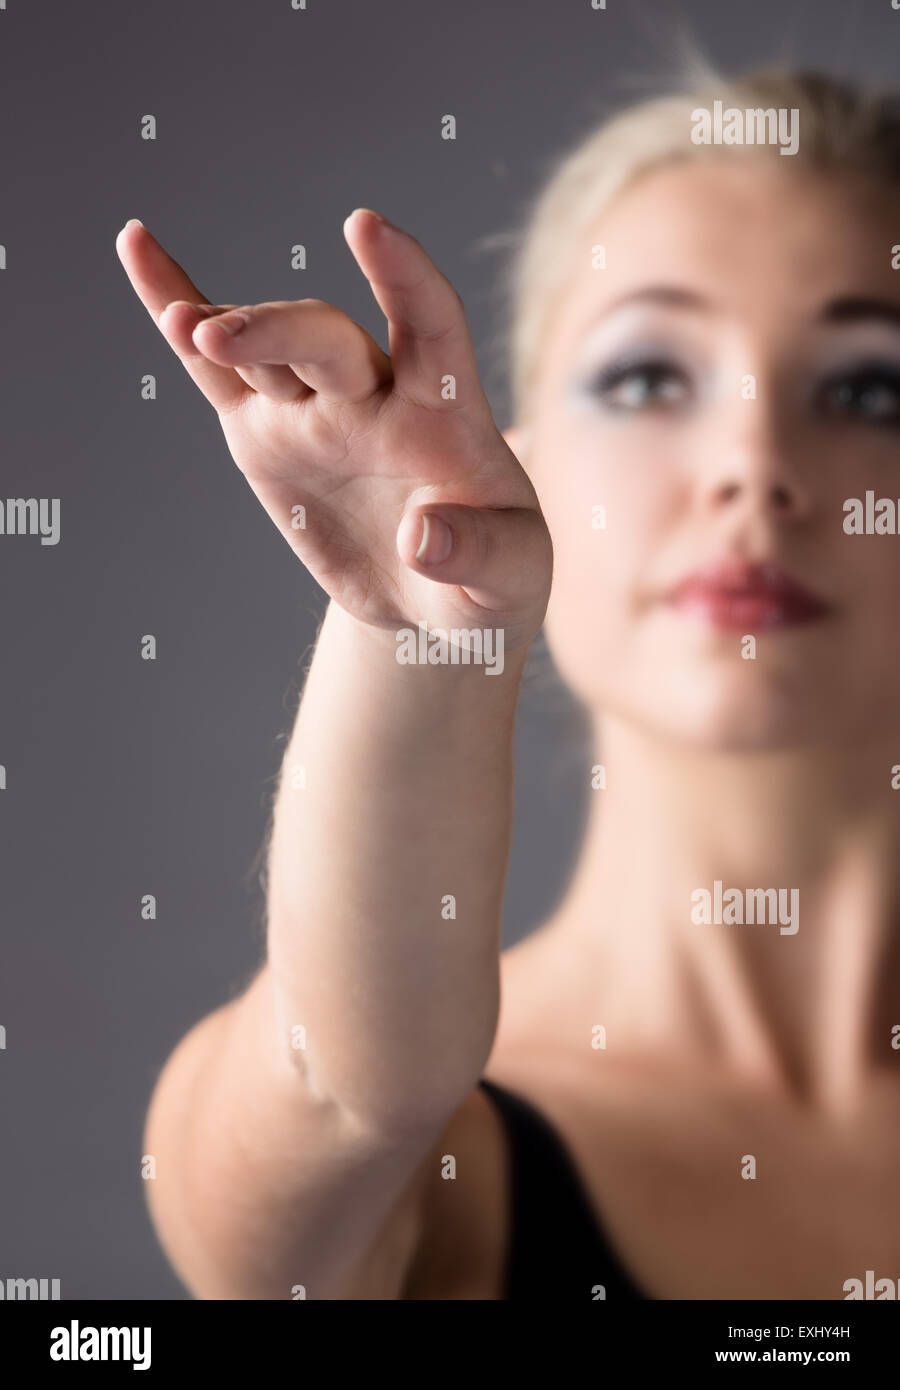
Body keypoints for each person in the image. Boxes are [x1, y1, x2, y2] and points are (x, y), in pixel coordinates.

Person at [117, 66, 900, 1300]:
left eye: (867, 387)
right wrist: (420, 618)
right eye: (647, 378)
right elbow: (345, 1085)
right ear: (515, 465)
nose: (754, 465)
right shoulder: (440, 1162)